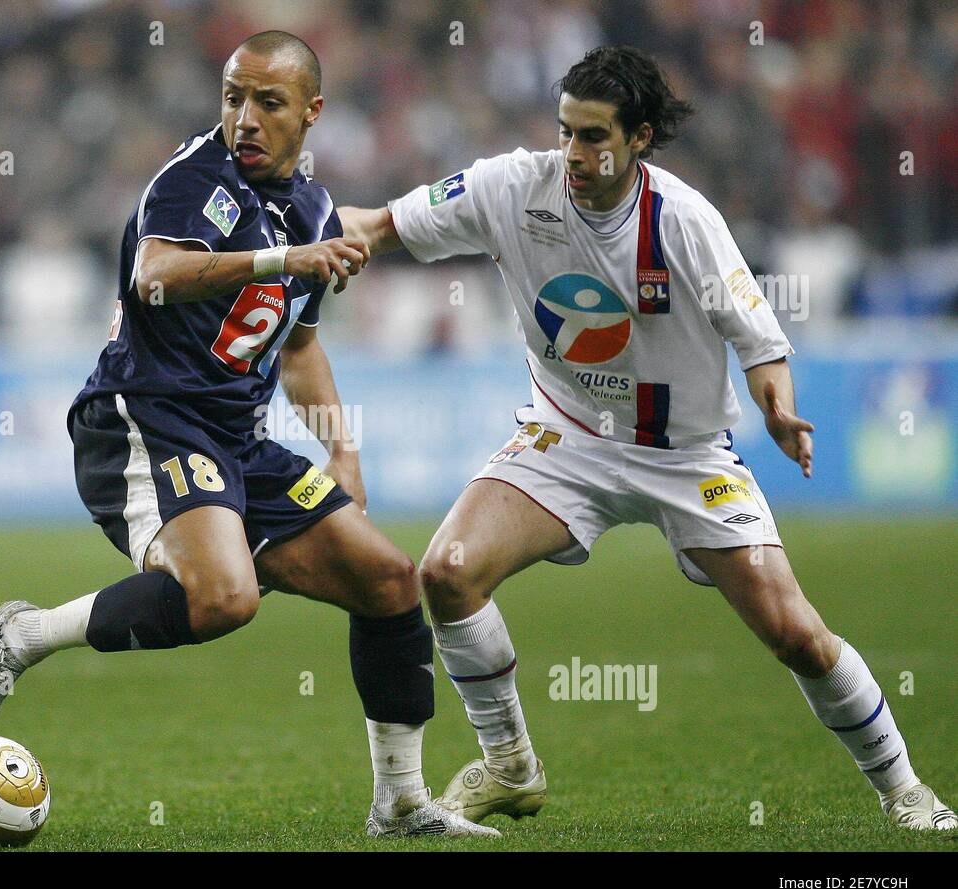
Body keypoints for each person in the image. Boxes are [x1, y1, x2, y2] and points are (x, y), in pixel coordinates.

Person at [339, 45, 954, 832]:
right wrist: (304, 235)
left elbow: (760, 342)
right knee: (448, 571)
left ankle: (905, 789)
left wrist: (776, 407)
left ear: (640, 138)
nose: (574, 154)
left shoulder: (687, 221)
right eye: (566, 132)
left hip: (686, 453)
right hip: (567, 439)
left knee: (795, 632)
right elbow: (382, 224)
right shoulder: (508, 187)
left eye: (594, 136)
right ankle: (510, 765)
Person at [0, 30, 497, 839]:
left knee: (387, 579)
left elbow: (299, 345)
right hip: (146, 419)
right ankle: (24, 634)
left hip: (237, 440)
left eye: (267, 102)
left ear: (311, 112)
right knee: (224, 597)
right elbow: (157, 276)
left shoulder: (310, 208)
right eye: (234, 96)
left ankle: (403, 804)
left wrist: (342, 447)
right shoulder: (191, 181)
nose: (245, 116)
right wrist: (285, 259)